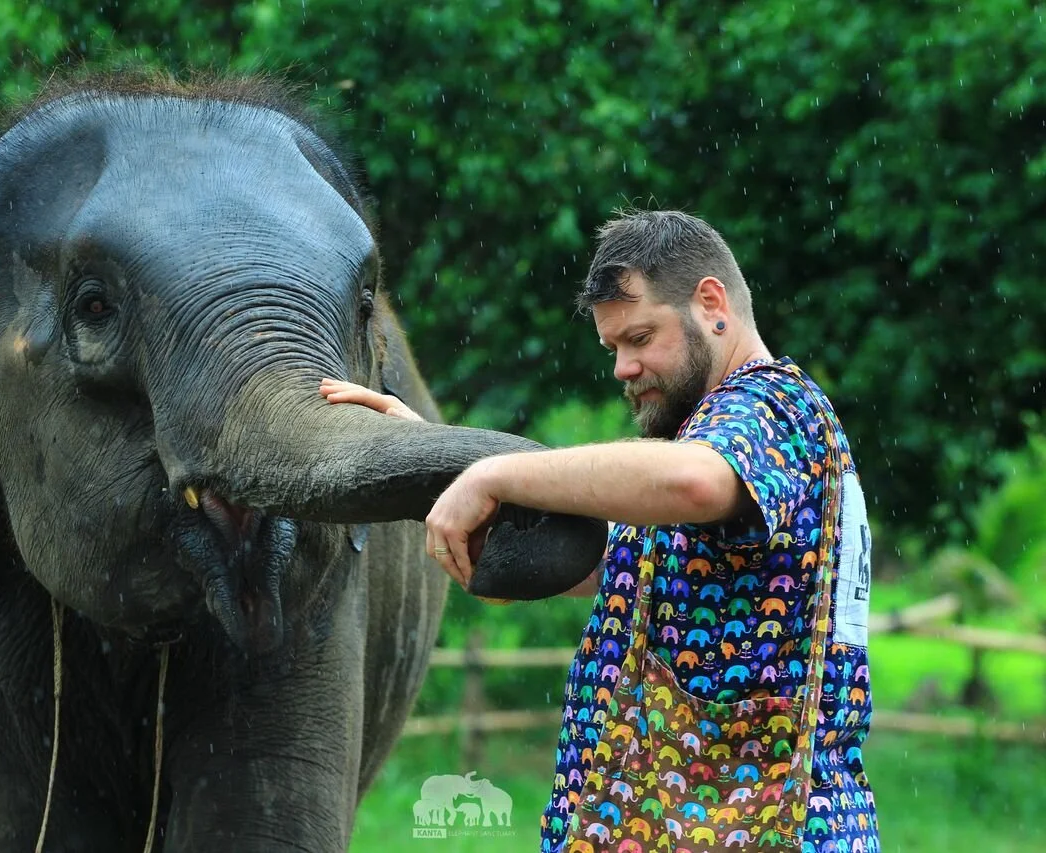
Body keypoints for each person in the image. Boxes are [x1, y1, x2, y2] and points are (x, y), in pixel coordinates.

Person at [320, 209, 878, 852]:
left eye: (641, 337)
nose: (622, 367)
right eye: (613, 347)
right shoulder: (715, 447)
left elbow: (694, 480)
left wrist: (495, 472)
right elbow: (606, 570)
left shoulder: (775, 408)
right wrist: (430, 465)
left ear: (711, 303)